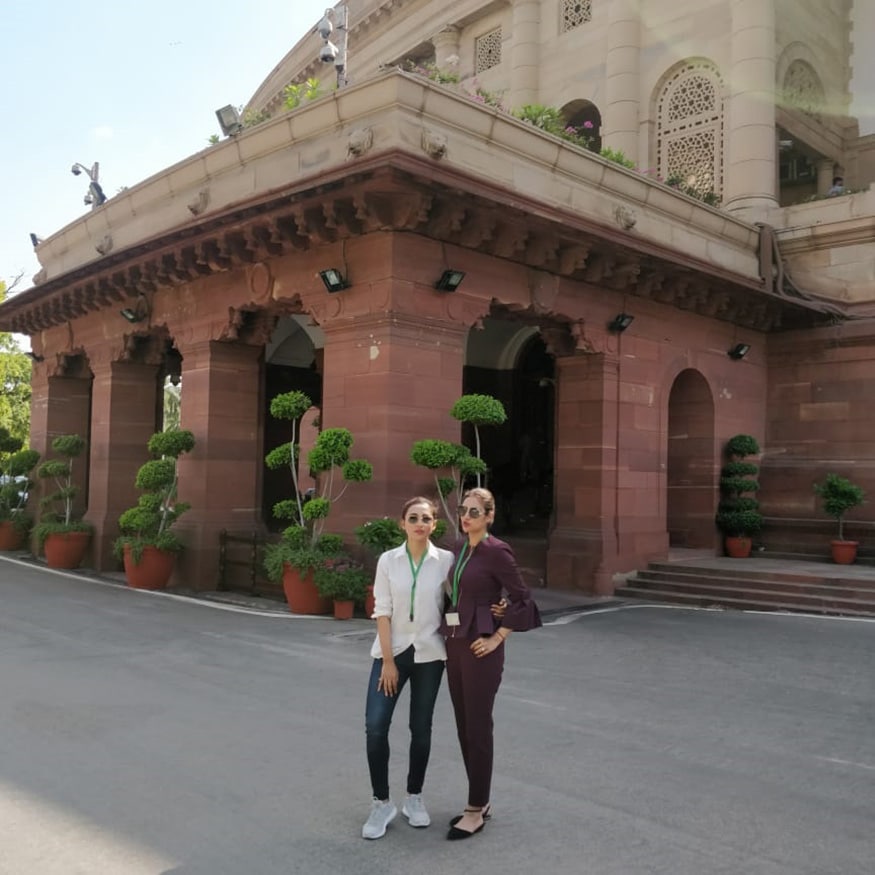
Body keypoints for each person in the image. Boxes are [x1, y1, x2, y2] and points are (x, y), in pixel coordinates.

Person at [442, 487, 542, 840]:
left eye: (474, 512)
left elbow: (522, 598)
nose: (466, 517)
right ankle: (479, 799)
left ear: (489, 516)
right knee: (463, 725)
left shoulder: (497, 551)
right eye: (463, 510)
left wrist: (498, 636)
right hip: (455, 643)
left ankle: (475, 810)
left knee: (478, 726)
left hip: (481, 649)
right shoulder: (458, 548)